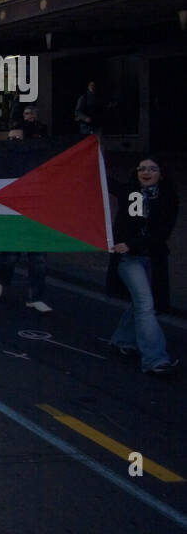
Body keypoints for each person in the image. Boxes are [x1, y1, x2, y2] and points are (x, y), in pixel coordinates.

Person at [107, 157, 178, 375]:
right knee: (146, 303)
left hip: (154, 258)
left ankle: (123, 340)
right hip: (129, 260)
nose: (146, 172)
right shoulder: (129, 192)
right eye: (142, 168)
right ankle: (155, 359)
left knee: (142, 302)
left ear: (161, 174)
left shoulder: (169, 198)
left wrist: (133, 243)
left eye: (152, 169)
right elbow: (103, 180)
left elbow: (162, 233)